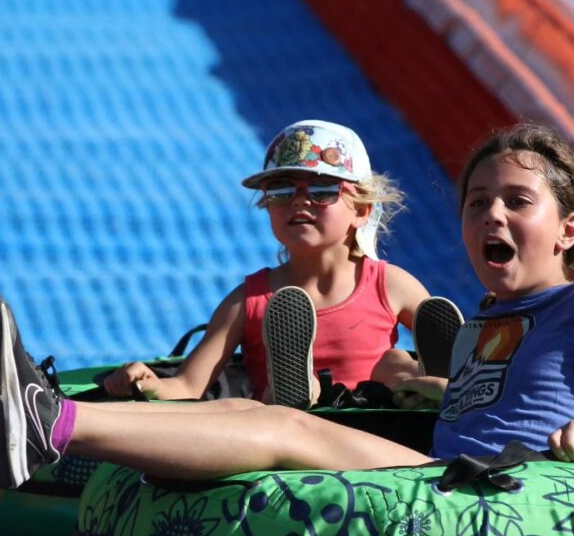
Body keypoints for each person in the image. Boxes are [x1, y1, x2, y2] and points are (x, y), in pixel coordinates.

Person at [0, 122, 574, 490]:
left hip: (508, 488)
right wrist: (421, 385)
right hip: (450, 470)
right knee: (244, 413)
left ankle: (48, 423)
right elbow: (485, 406)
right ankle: (44, 422)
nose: (491, 214)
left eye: (517, 201)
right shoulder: (491, 318)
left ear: (568, 229)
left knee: (286, 428)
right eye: (477, 202)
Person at [101, 118, 444, 409]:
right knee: (289, 394)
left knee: (396, 363)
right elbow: (189, 386)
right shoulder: (250, 300)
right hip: (288, 435)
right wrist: (147, 384)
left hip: (378, 421)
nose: (299, 201)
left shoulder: (390, 285)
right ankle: (295, 392)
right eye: (280, 191)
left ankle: (430, 386)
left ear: (362, 210)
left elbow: (439, 327)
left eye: (322, 189)